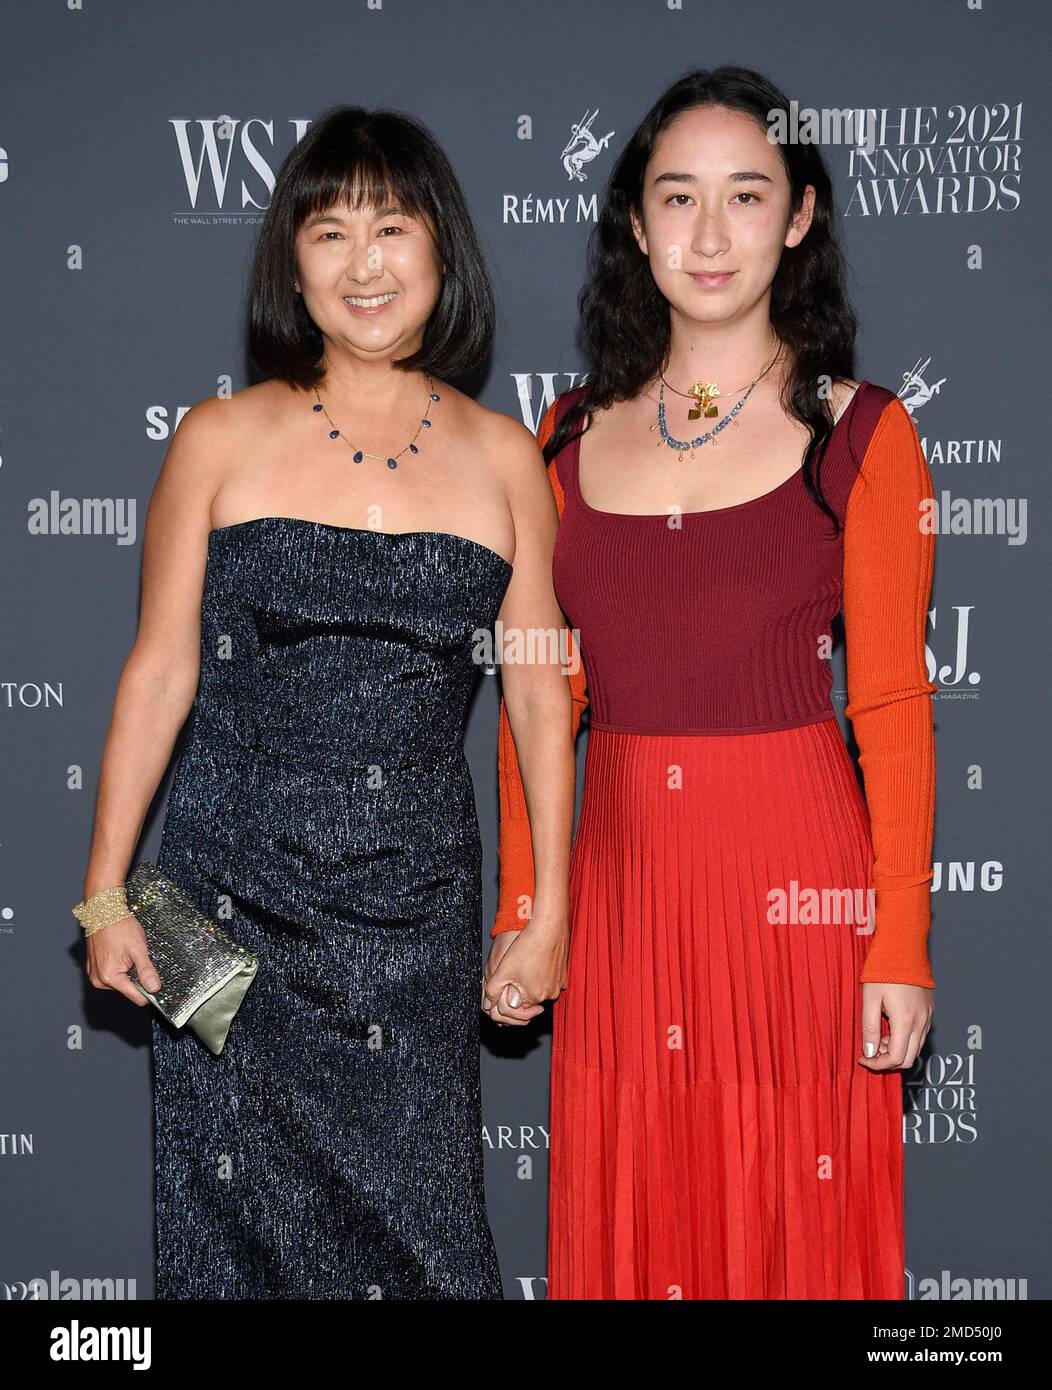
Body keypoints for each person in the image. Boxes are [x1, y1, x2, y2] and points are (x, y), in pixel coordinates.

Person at [73, 104, 573, 1300]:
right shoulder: (216, 438)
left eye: (391, 227)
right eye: (330, 231)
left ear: (439, 252)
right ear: (291, 266)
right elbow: (158, 667)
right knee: (228, 1229)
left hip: (415, 915)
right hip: (219, 904)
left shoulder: (508, 458)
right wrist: (103, 893)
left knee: (427, 1245)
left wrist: (547, 903)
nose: (364, 263)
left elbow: (540, 688)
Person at [488, 65, 939, 1299]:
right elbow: (541, 694)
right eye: (674, 196)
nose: (706, 232)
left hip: (796, 895)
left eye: (744, 195)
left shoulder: (862, 434)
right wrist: (530, 905)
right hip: (625, 899)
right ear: (633, 226)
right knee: (636, 1212)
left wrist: (899, 942)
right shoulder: (565, 439)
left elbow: (892, 709)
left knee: (793, 1226)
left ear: (797, 217)